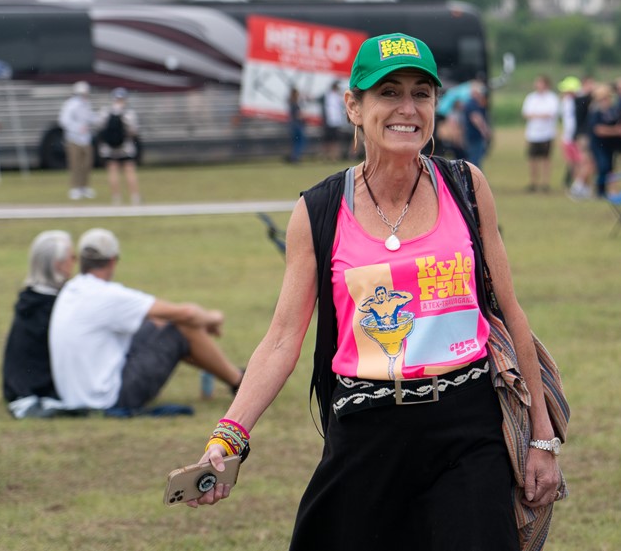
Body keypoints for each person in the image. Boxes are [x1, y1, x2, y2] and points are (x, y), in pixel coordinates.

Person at [187, 33, 564, 551]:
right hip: (365, 431)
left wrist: (541, 437)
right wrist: (229, 435)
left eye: (421, 93)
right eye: (388, 93)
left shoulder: (466, 186)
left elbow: (510, 312)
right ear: (353, 107)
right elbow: (281, 339)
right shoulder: (319, 210)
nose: (407, 108)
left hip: (467, 428)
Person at [48, 228, 244, 411]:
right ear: (113, 261)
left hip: (75, 396)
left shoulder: (71, 290)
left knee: (161, 323)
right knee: (182, 327)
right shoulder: (108, 295)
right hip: (108, 399)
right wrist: (213, 318)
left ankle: (234, 378)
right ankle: (239, 382)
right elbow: (187, 314)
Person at [2, 230, 76, 418]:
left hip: (14, 385)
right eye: (71, 258)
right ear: (58, 265)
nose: (75, 263)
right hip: (39, 387)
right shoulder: (51, 307)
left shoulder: (30, 299)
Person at [98, 88, 142, 205]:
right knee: (129, 171)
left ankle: (116, 198)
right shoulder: (129, 113)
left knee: (113, 171)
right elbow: (134, 131)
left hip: (109, 148)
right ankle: (134, 197)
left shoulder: (105, 112)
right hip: (126, 147)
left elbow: (100, 128)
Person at [58, 81, 97, 200]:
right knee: (75, 164)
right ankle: (75, 188)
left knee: (87, 164)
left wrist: (100, 118)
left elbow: (90, 118)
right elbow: (63, 120)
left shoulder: (86, 104)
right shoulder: (70, 104)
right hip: (73, 139)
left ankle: (84, 187)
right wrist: (77, 128)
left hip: (86, 139)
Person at [521, 74, 559, 192]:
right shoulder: (531, 98)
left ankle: (545, 183)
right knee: (532, 159)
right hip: (533, 134)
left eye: (540, 82)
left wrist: (535, 115)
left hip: (547, 133)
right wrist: (540, 115)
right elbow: (526, 113)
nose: (537, 85)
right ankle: (533, 182)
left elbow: (551, 113)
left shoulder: (552, 98)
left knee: (545, 159)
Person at [462, 80, 492, 168]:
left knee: (474, 158)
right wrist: (485, 131)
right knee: (475, 161)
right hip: (475, 136)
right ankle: (476, 179)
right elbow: (476, 119)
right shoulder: (472, 103)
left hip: (471, 135)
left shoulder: (472, 103)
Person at [321, 81, 350, 161]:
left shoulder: (338, 96)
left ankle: (334, 156)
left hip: (336, 121)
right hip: (329, 121)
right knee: (329, 140)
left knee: (334, 140)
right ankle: (328, 156)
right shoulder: (328, 96)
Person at [286, 87, 307, 163]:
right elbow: (298, 115)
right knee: (300, 142)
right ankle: (295, 157)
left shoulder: (291, 102)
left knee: (295, 142)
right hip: (297, 125)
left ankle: (293, 156)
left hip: (293, 125)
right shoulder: (295, 104)